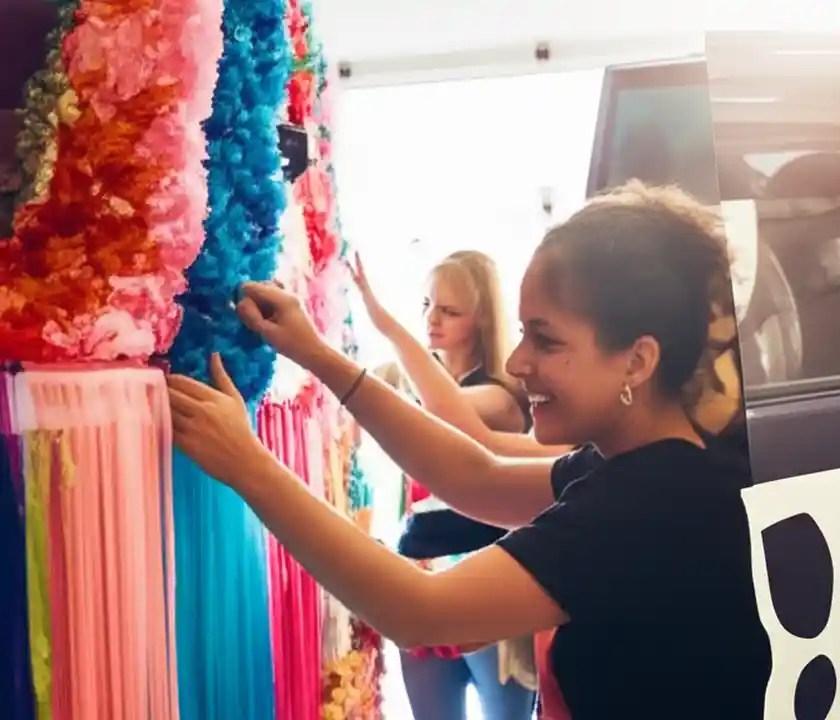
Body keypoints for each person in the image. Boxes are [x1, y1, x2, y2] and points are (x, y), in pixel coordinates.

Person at [167, 182, 771, 719]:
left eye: (545, 338)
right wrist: (319, 356)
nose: (516, 362)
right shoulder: (649, 465)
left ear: (637, 360)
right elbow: (475, 476)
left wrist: (248, 466)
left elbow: (420, 611)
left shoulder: (652, 503)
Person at [363, 250, 536, 720]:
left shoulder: (500, 396)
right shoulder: (421, 381)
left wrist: (386, 327)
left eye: (449, 310)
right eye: (426, 304)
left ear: (480, 320)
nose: (432, 319)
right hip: (420, 566)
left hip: (488, 576)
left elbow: (439, 410)